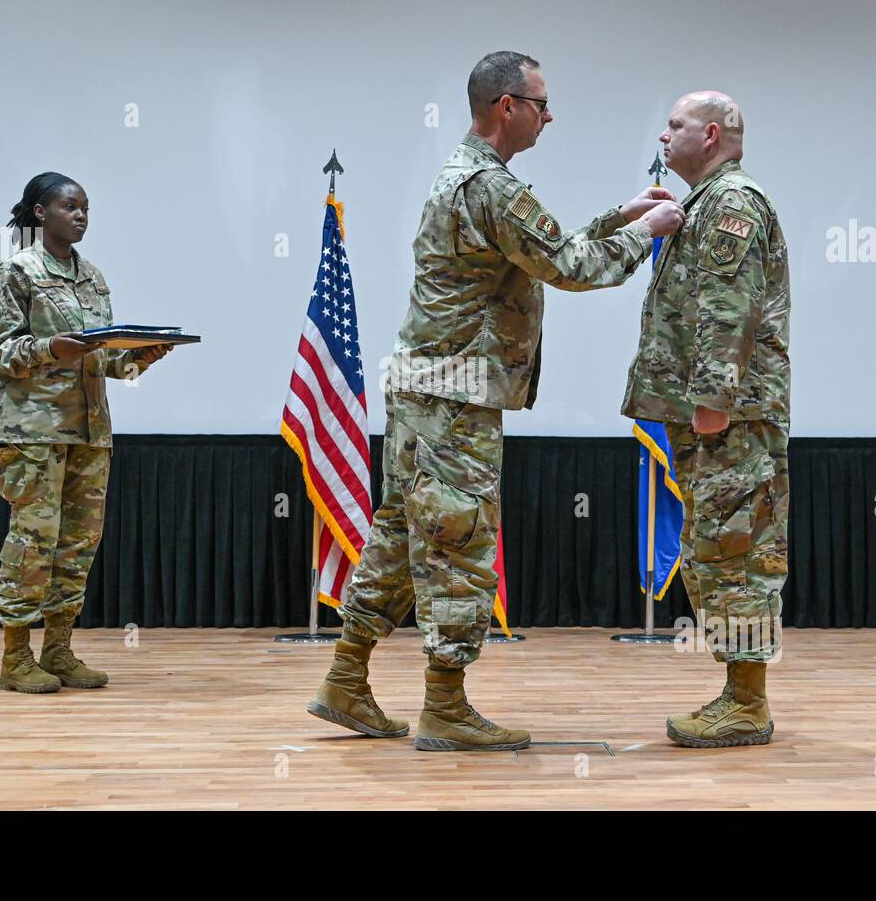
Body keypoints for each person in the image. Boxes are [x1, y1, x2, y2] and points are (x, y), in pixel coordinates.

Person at [308, 51, 685, 751]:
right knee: (460, 543)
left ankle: (345, 678)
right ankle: (445, 708)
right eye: (541, 102)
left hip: (426, 393)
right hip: (454, 402)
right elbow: (571, 266)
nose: (550, 114)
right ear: (506, 107)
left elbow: (546, 246)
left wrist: (620, 213)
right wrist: (645, 233)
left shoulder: (470, 178)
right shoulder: (491, 187)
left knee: (398, 536)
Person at [621, 91, 791, 747]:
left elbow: (729, 307)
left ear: (712, 134)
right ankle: (736, 692)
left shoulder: (731, 204)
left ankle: (747, 703)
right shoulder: (701, 203)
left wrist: (715, 399)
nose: (664, 135)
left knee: (736, 550)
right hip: (709, 417)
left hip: (735, 417)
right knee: (714, 550)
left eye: (676, 124)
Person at [0, 171, 172, 693]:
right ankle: (15, 658)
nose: (82, 215)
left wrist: (140, 358)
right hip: (33, 433)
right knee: (33, 542)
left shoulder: (92, 277)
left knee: (77, 544)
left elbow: (101, 361)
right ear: (41, 213)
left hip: (90, 431)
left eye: (87, 208)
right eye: (71, 206)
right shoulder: (14, 272)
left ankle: (59, 651)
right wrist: (49, 349)